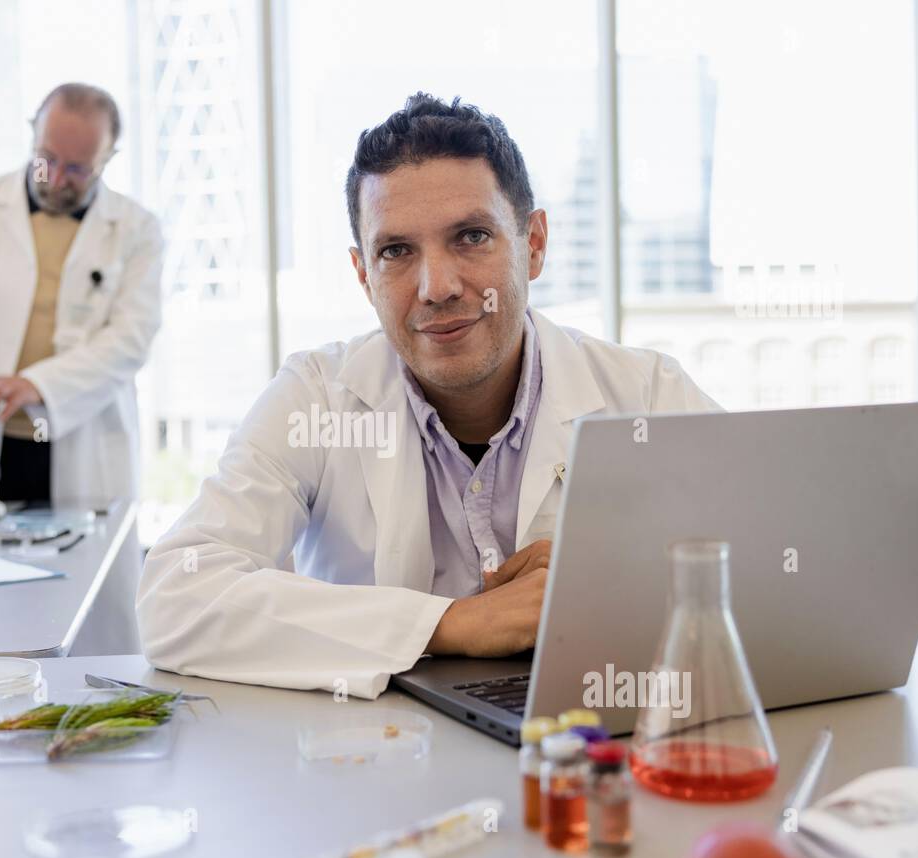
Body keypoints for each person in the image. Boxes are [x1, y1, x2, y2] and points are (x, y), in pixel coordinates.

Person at [137, 93, 719, 696]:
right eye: (396, 252)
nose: (436, 287)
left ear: (535, 244)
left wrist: (619, 578)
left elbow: (789, 568)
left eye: (471, 236)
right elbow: (175, 598)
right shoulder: (316, 399)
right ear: (364, 275)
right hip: (369, 761)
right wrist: (450, 623)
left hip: (591, 747)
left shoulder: (648, 393)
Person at [0, 82, 163, 653]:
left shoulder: (136, 229)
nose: (56, 179)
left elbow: (131, 339)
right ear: (32, 132)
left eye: (78, 168)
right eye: (47, 159)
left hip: (78, 436)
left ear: (109, 159)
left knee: (88, 617)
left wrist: (36, 383)